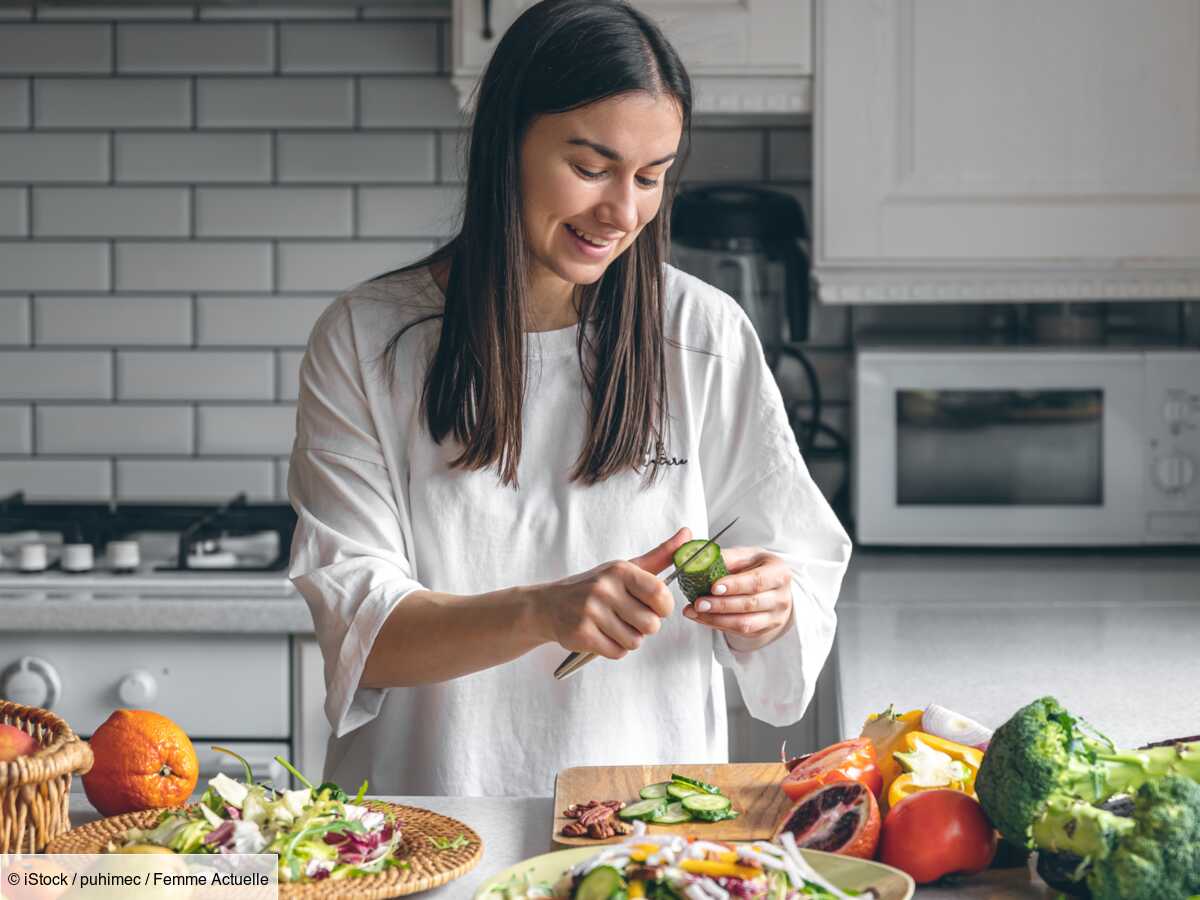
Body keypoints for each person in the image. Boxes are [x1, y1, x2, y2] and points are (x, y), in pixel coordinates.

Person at [287, 0, 851, 797]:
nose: (623, 213)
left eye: (650, 177)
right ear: (507, 143)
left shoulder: (703, 333)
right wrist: (540, 612)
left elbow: (797, 571)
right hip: (434, 829)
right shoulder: (367, 338)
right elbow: (363, 637)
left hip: (648, 832)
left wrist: (772, 603)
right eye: (591, 168)